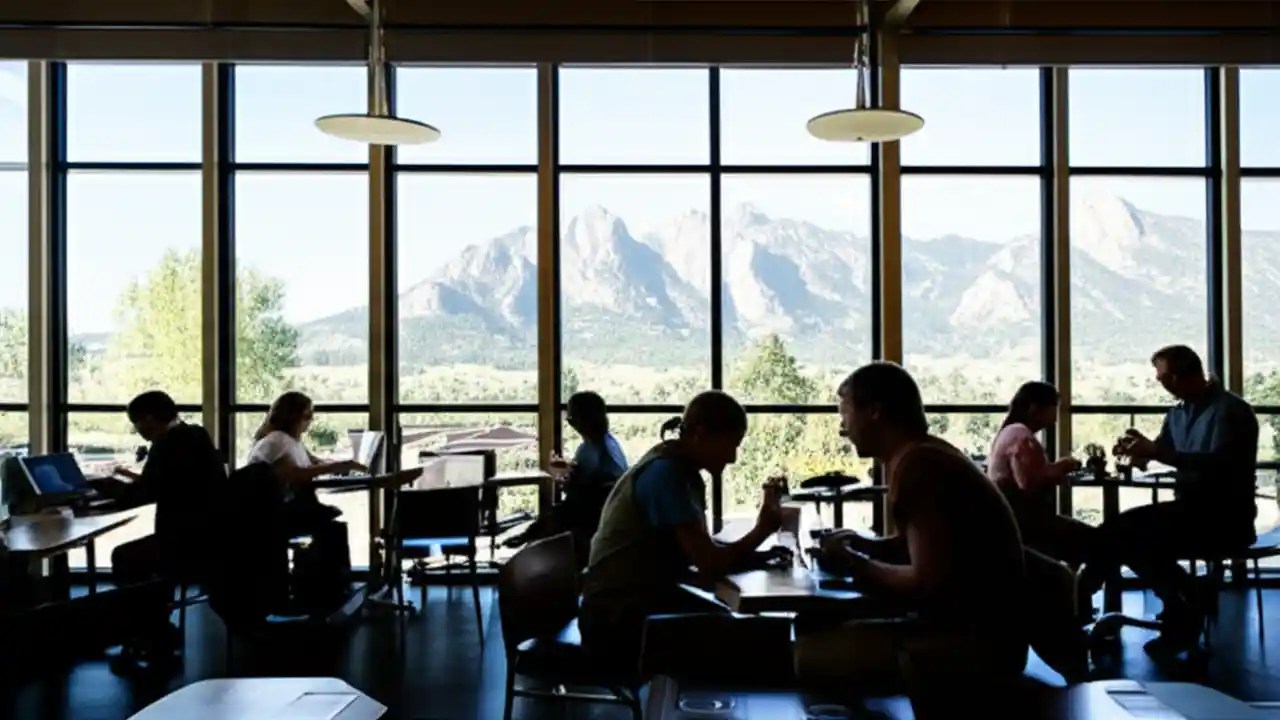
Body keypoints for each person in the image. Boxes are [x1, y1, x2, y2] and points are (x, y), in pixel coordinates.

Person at [797, 362, 1028, 692]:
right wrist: (868, 545)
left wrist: (855, 563)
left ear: (875, 412)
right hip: (988, 637)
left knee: (805, 653)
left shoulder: (919, 467)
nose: (842, 430)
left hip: (972, 648)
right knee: (816, 624)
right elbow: (935, 549)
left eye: (845, 415)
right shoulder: (928, 453)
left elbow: (924, 582)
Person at [579, 390, 785, 667]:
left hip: (626, 604)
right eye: (731, 444)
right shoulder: (667, 475)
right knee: (758, 638)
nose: (733, 457)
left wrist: (759, 554)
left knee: (743, 628)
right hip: (616, 621)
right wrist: (762, 530)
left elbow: (700, 553)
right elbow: (709, 564)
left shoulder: (673, 466)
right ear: (700, 434)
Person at [1079, 345, 1258, 654]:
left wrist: (1156, 452)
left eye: (1161, 377)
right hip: (1189, 512)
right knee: (1119, 531)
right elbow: (1164, 450)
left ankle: (1082, 602)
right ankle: (1185, 600)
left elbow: (1220, 466)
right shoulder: (1177, 413)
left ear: (1176, 377)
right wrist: (1139, 450)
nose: (1160, 383)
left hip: (1225, 517)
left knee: (1125, 533)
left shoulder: (1233, 412)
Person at [94, 391, 224, 591]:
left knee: (124, 556)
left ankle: (147, 615)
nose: (137, 430)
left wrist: (103, 486)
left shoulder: (165, 445)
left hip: (183, 543)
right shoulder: (197, 434)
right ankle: (157, 611)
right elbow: (169, 484)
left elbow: (143, 495)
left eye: (136, 423)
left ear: (149, 419)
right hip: (211, 537)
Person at [506, 392, 628, 558]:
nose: (568, 420)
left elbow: (594, 492)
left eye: (572, 415)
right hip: (588, 509)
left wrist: (569, 481)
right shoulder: (597, 445)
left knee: (551, 520)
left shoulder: (601, 452)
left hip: (591, 515)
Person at [987, 381, 1095, 568]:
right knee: (1101, 542)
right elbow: (1029, 484)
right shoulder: (1021, 437)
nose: (1056, 414)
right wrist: (1062, 466)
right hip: (1027, 525)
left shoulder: (1009, 432)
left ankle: (1076, 587)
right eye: (1054, 407)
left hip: (1012, 521)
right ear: (1036, 408)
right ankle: (1080, 588)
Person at [245, 391, 366, 536]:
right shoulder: (278, 441)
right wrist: (341, 466)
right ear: (293, 417)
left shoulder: (290, 441)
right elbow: (295, 474)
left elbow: (315, 462)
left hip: (281, 509)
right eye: (308, 416)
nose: (311, 420)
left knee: (330, 524)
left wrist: (344, 465)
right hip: (276, 513)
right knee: (333, 531)